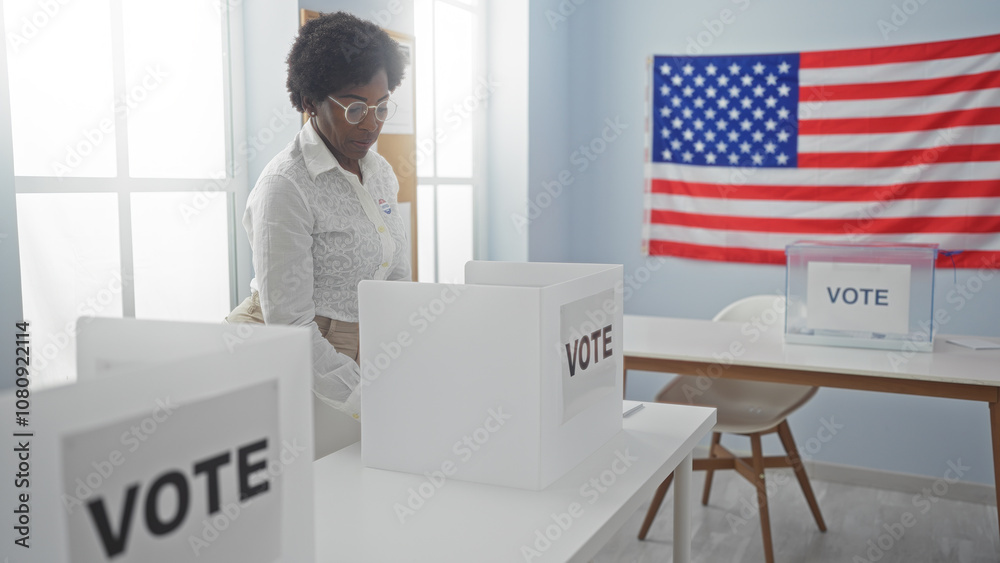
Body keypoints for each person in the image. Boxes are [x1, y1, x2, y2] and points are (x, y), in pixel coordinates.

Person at [226, 11, 410, 420]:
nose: (371, 125)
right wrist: (367, 399)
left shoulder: (378, 172)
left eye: (381, 107)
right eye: (355, 109)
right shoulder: (286, 186)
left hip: (355, 353)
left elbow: (395, 277)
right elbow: (289, 324)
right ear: (310, 102)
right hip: (289, 354)